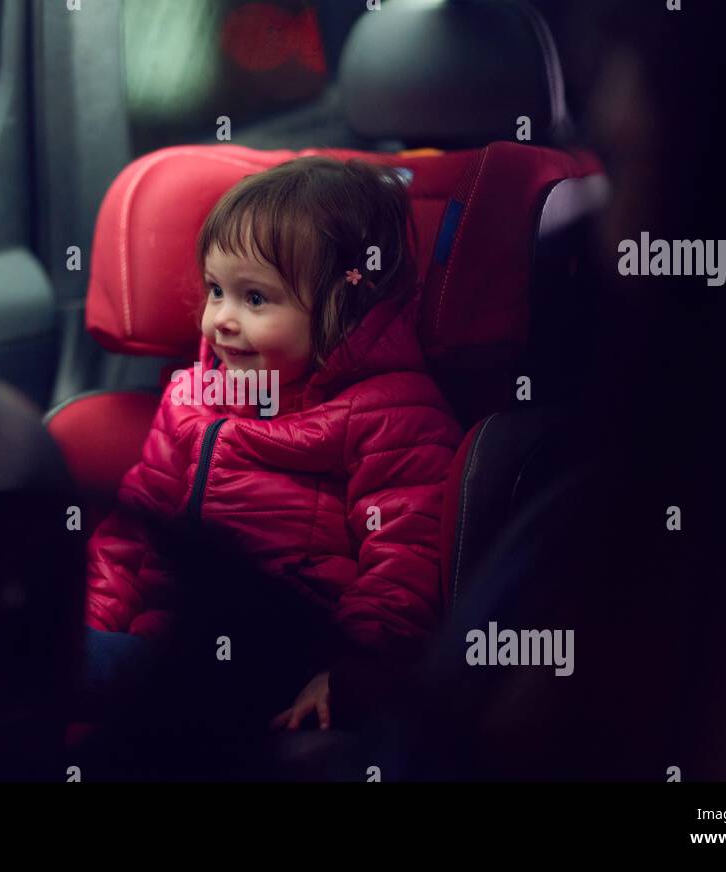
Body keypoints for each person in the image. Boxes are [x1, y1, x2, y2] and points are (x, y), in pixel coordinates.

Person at [80, 157, 462, 737]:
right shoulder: (192, 397)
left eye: (255, 299)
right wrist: (86, 626)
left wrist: (350, 669)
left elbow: (405, 563)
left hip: (284, 663)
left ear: (343, 304)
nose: (221, 320)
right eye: (215, 290)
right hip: (167, 647)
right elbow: (129, 542)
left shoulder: (391, 414)